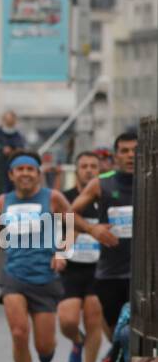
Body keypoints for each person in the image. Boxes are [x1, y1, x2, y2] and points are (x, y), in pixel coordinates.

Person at [0, 153, 69, 362]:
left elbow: (70, 227)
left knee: (44, 347)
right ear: (11, 175)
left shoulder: (53, 198)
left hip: (45, 277)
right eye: (19, 169)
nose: (25, 173)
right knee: (18, 332)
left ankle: (47, 349)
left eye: (30, 169)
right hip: (14, 275)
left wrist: (61, 252)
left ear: (38, 173)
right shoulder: (3, 201)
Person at [71, 130, 137, 337]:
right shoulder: (102, 183)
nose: (130, 155)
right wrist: (92, 229)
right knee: (115, 332)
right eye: (124, 151)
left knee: (138, 334)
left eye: (135, 150)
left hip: (145, 274)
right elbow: (69, 213)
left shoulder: (152, 182)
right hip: (112, 272)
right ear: (115, 156)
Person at [58, 151, 103, 362]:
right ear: (76, 170)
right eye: (83, 166)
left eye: (93, 166)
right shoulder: (64, 198)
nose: (88, 170)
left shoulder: (105, 197)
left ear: (99, 170)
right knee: (67, 320)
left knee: (94, 317)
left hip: (98, 267)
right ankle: (77, 340)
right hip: (71, 267)